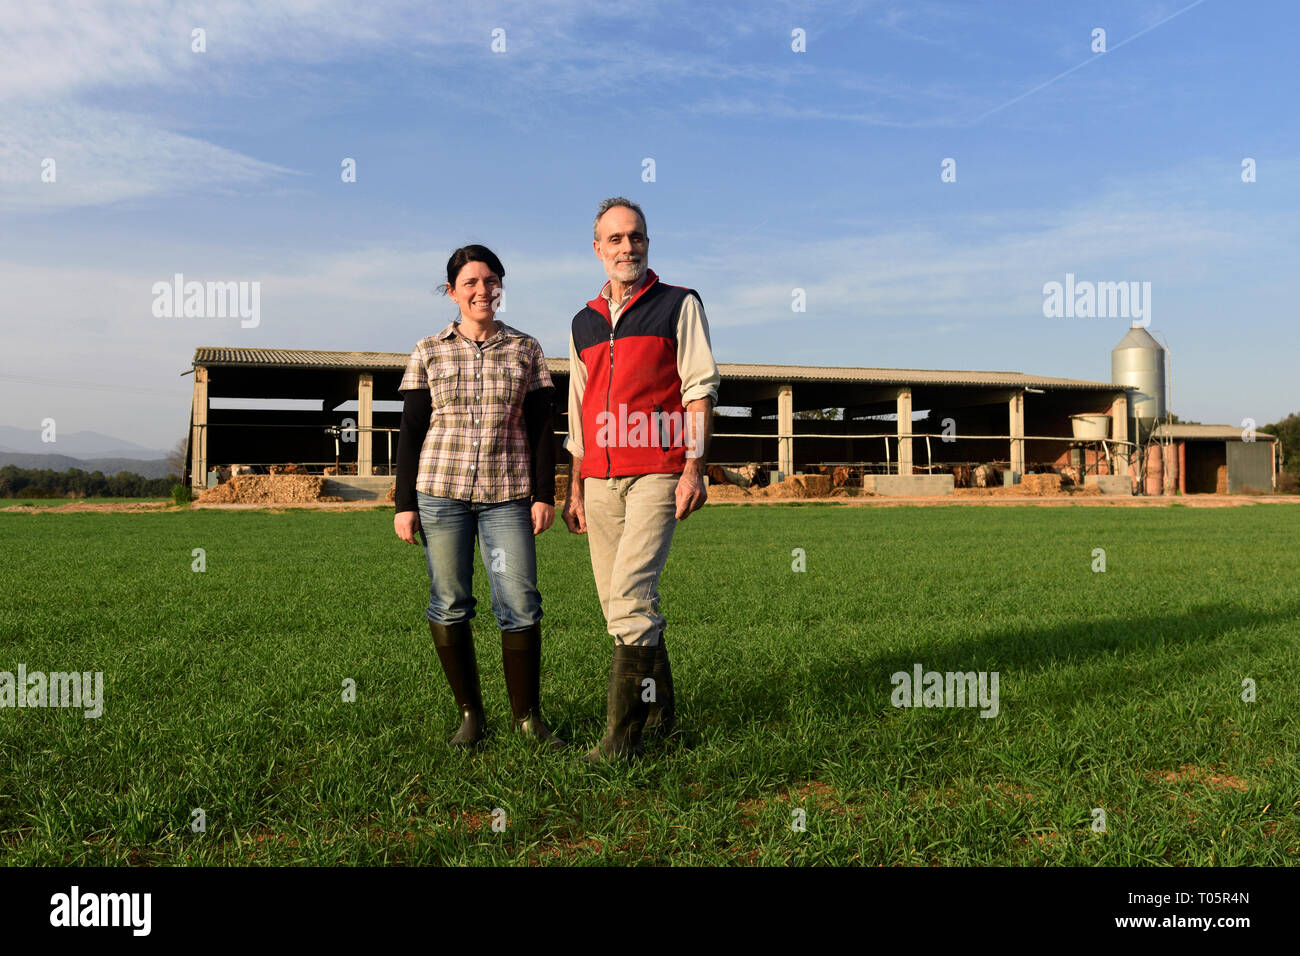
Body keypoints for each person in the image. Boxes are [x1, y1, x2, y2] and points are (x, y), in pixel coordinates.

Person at [562, 198, 720, 759]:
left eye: (637, 237)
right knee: (620, 604)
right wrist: (573, 486)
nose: (627, 247)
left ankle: (621, 739)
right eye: (616, 239)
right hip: (600, 479)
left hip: (658, 469)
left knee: (629, 597)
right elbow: (580, 410)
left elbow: (699, 389)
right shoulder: (582, 321)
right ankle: (660, 718)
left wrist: (693, 469)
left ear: (647, 243)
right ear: (598, 249)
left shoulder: (679, 304)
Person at [394, 244, 563, 750]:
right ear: (452, 291)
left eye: (490, 281)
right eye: (470, 283)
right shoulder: (428, 350)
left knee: (520, 602)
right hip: (440, 493)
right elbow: (411, 429)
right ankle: (471, 716)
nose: (482, 291)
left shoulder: (526, 349)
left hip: (507, 495)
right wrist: (404, 504)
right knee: (449, 602)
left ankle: (528, 719)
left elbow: (541, 430)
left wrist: (543, 493)